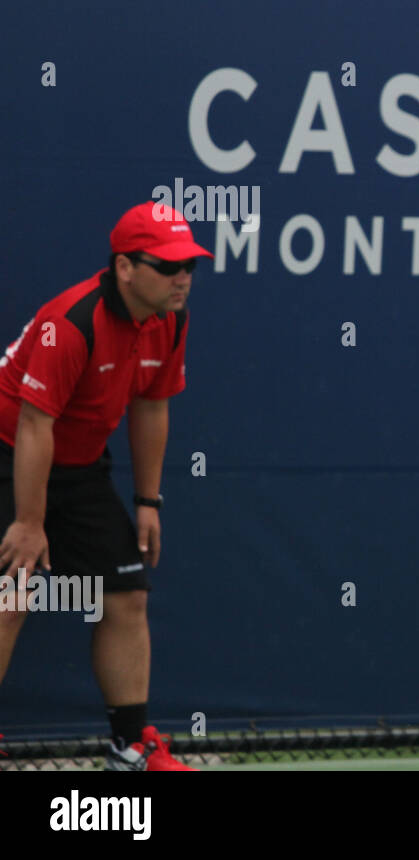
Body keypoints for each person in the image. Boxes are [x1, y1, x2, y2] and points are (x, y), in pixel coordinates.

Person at [0, 201, 212, 771]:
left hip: (81, 465)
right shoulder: (69, 323)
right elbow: (33, 424)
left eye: (189, 265)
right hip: (11, 453)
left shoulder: (172, 320)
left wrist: (148, 502)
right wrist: (28, 522)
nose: (182, 278)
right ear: (124, 267)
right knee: (12, 595)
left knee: (124, 594)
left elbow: (151, 407)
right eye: (168, 267)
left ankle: (130, 747)